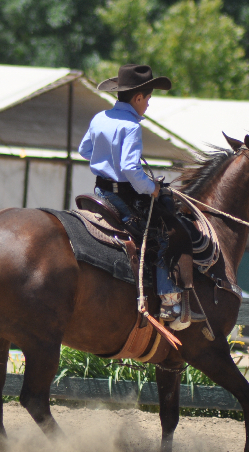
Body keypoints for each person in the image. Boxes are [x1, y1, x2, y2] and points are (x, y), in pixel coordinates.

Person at [78, 64, 197, 330]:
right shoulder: (131, 126)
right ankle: (169, 301)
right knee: (166, 232)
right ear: (138, 97)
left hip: (100, 191)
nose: (148, 105)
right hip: (124, 197)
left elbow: (85, 150)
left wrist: (106, 157)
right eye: (149, 99)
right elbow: (131, 170)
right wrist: (152, 188)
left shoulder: (100, 118)